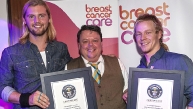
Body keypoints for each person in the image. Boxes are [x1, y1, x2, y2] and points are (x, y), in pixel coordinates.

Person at [0, 0, 71, 108]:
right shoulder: (10, 53)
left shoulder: (61, 49)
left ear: (49, 19)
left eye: (41, 15)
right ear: (24, 20)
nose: (37, 21)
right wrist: (27, 99)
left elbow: (73, 75)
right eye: (31, 16)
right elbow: (2, 88)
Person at [122, 13, 193, 109]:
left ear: (159, 34)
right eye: (139, 34)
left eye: (148, 32)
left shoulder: (179, 61)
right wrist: (131, 96)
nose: (142, 38)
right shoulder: (138, 71)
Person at [66, 25, 128, 109]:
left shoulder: (117, 62)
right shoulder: (69, 67)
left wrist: (127, 93)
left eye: (95, 40)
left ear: (101, 44)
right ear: (79, 45)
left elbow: (128, 89)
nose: (90, 45)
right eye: (85, 41)